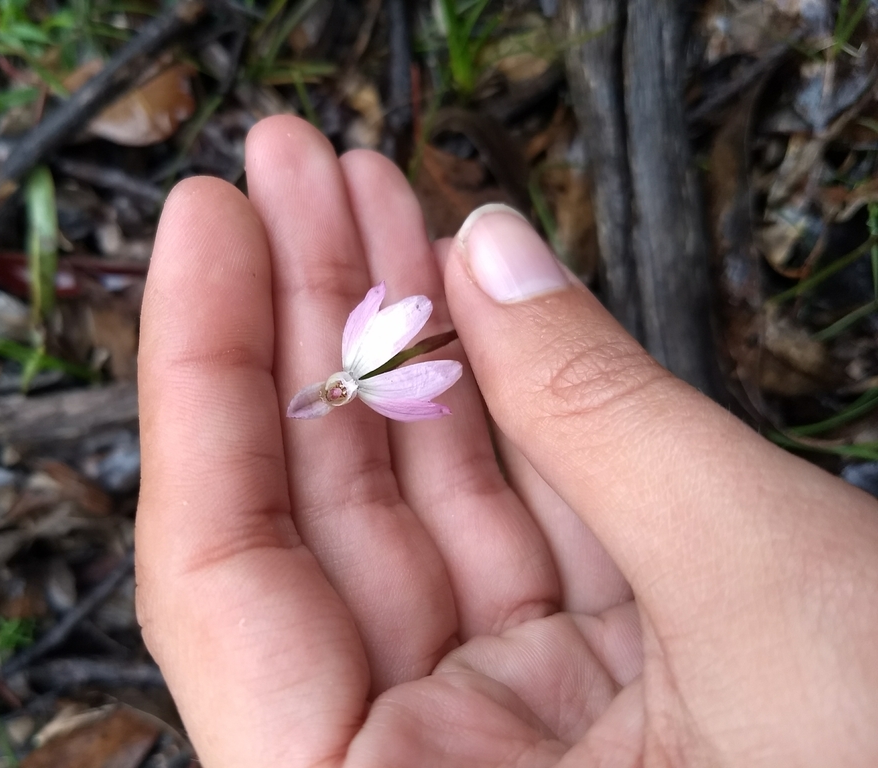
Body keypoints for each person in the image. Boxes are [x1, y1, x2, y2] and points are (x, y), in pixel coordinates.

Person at [134, 116, 878, 767]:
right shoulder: (360, 378)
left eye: (333, 391)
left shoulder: (359, 366)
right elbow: (380, 357)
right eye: (333, 394)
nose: (332, 395)